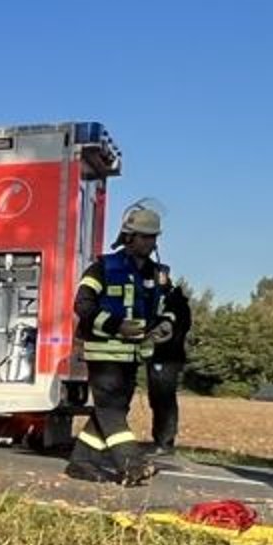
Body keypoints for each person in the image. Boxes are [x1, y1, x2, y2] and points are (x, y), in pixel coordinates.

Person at [65, 206, 170, 485]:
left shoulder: (157, 274)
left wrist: (166, 324)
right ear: (128, 237)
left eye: (153, 237)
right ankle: (130, 462)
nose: (150, 243)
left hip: (132, 355)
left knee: (113, 411)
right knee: (110, 408)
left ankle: (81, 462)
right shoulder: (102, 268)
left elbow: (167, 306)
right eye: (144, 237)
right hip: (103, 353)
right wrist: (116, 325)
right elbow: (83, 304)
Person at [147, 265, 191, 455]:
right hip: (158, 356)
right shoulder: (160, 298)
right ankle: (161, 439)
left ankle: (165, 442)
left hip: (167, 357)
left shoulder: (172, 300)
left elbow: (168, 328)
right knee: (157, 399)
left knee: (164, 398)